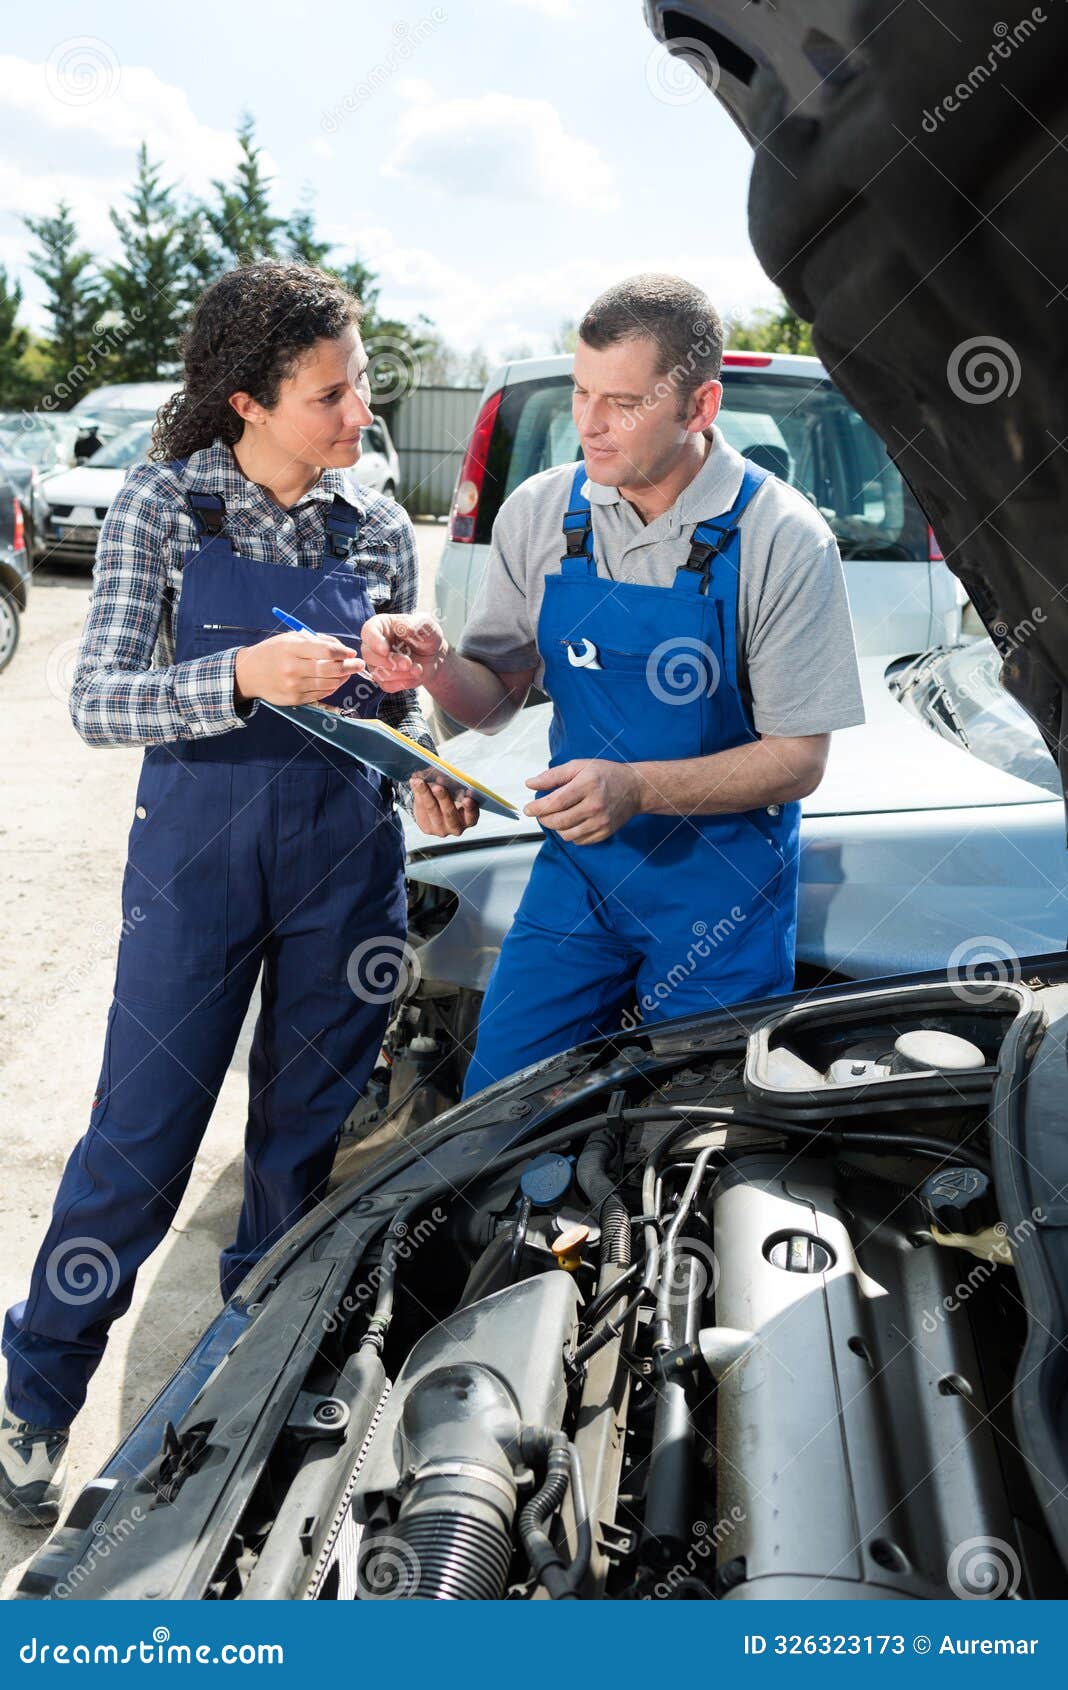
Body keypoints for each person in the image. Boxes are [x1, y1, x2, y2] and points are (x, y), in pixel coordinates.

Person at [0, 261, 450, 1526]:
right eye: (330, 394)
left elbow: (393, 713)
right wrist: (242, 675)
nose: (360, 412)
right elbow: (97, 702)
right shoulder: (164, 504)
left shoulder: (375, 523)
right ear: (248, 400)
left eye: (361, 385)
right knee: (139, 1143)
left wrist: (416, 734)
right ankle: (35, 1396)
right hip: (197, 864)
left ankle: (252, 1389)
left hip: (345, 868)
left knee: (300, 1149)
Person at [361, 274, 866, 1095]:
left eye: (623, 403)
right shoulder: (540, 511)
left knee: (694, 1124)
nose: (589, 425)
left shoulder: (783, 537)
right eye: (581, 392)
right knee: (499, 1105)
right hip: (581, 878)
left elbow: (798, 760)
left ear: (700, 406)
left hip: (723, 898)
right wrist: (436, 667)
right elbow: (498, 699)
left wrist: (634, 789)